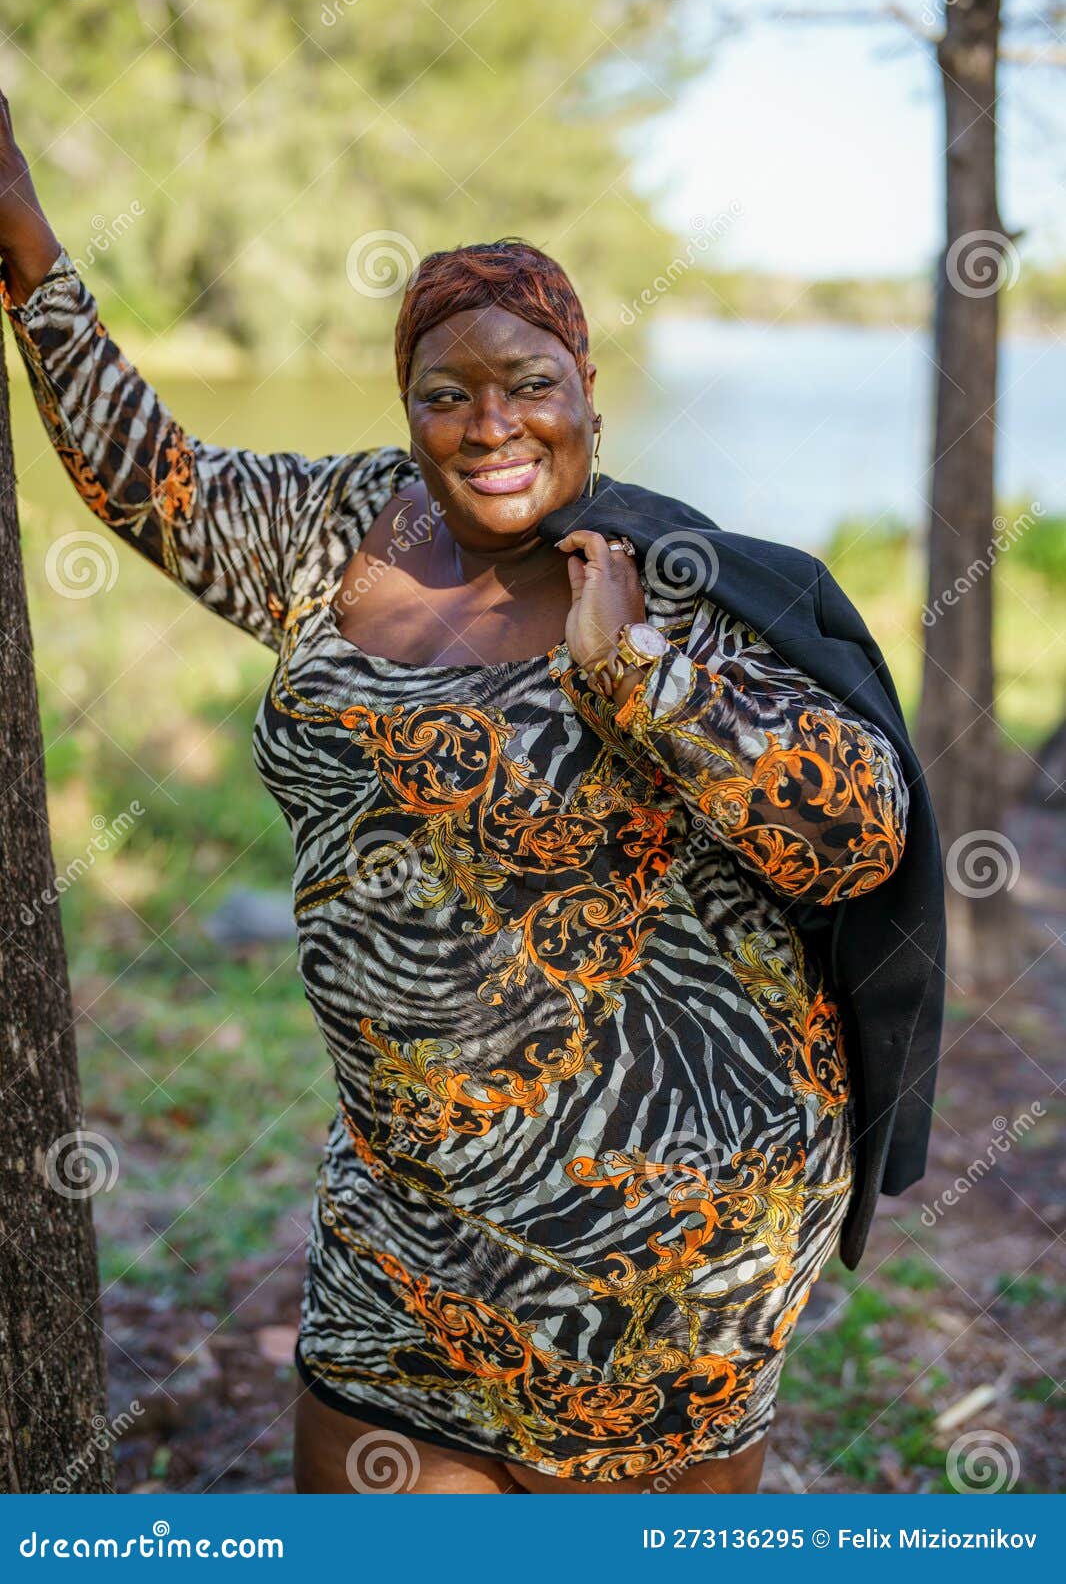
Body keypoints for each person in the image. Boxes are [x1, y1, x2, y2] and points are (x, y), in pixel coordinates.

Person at [0, 90, 911, 1494]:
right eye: (445, 389)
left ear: (588, 394)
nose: (489, 422)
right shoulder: (338, 525)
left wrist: (647, 682)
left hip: (671, 1234)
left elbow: (858, 837)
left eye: (528, 381)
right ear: (408, 405)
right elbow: (148, 476)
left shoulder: (675, 578)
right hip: (407, 1216)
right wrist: (26, 240)